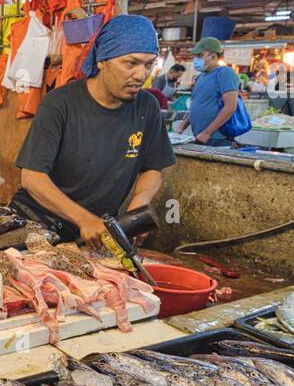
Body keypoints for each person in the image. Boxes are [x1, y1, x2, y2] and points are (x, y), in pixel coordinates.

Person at [15, 14, 176, 246]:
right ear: (102, 60)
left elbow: (153, 167)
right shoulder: (60, 103)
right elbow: (32, 177)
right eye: (130, 63)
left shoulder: (147, 107)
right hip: (36, 222)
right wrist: (84, 219)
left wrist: (140, 202)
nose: (141, 75)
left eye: (149, 64)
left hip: (95, 230)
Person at [177, 36, 243, 146]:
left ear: (213, 56)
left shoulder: (224, 73)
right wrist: (182, 127)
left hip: (217, 139)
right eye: (195, 56)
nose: (196, 59)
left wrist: (207, 133)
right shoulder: (200, 77)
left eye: (200, 55)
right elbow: (197, 104)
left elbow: (230, 107)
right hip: (200, 137)